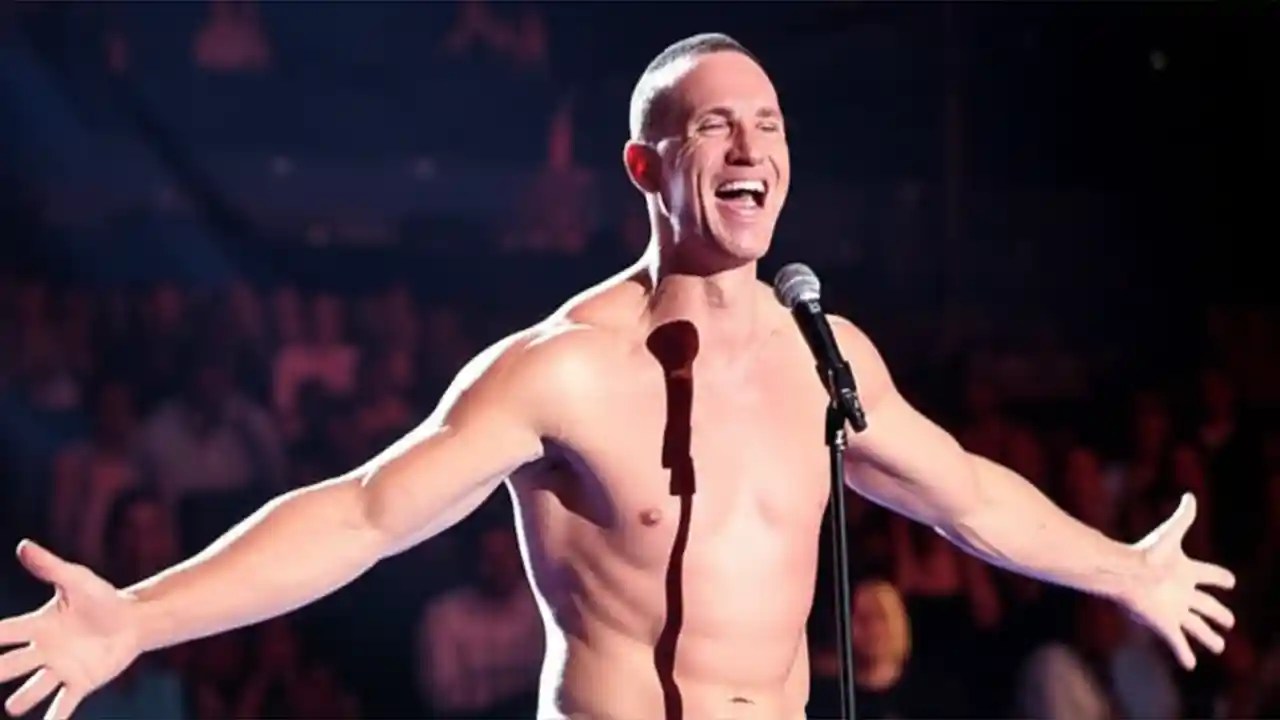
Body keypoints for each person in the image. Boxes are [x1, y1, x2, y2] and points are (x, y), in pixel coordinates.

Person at [0, 33, 1236, 720]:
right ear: (644, 169)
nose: (753, 148)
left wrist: (1119, 565)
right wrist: (143, 616)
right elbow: (366, 512)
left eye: (771, 128)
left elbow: (963, 496)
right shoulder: (566, 370)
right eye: (716, 127)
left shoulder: (824, 353)